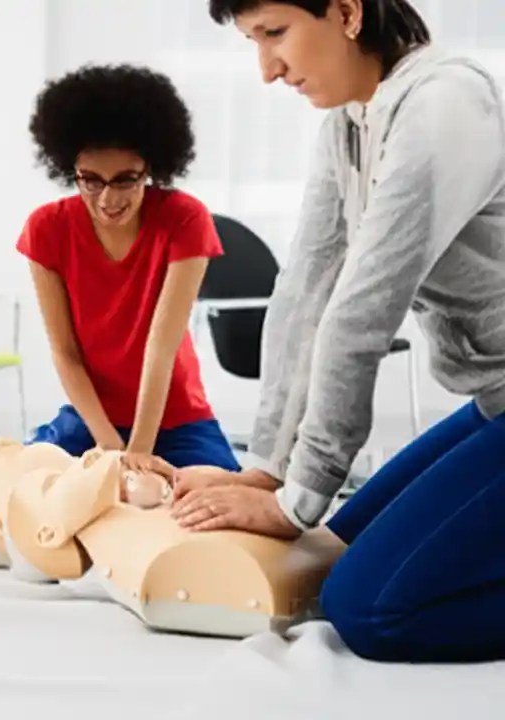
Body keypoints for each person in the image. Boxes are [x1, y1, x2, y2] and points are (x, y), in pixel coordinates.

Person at [175, 0, 505, 663]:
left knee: (372, 612)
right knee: (331, 559)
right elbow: (306, 288)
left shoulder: (446, 106)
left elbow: (362, 308)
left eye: (275, 34)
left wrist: (301, 499)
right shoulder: (350, 123)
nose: (268, 70)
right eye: (252, 42)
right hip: (493, 404)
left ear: (348, 12)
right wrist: (269, 471)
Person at [17, 64, 240, 475]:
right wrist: (109, 447)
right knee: (24, 486)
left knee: (222, 502)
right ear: (70, 169)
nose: (107, 199)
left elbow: (161, 349)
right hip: (92, 417)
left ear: (150, 170)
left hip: (176, 417)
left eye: (125, 180)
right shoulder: (46, 229)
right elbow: (66, 354)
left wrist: (138, 451)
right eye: (91, 180)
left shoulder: (184, 219)